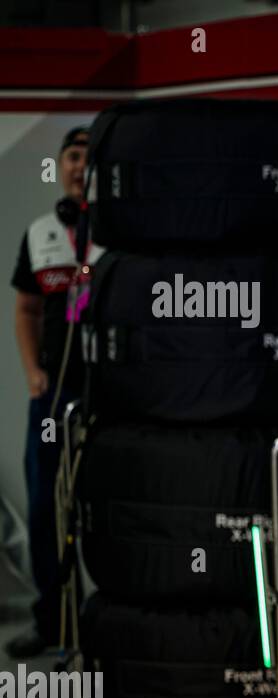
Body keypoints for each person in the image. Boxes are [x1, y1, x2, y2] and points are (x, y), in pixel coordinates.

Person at [8, 126, 103, 657]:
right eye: (71, 156)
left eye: (88, 157)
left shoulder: (121, 233)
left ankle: (106, 619)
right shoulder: (42, 232)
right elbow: (25, 309)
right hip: (52, 396)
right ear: (60, 165)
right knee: (46, 505)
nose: (78, 166)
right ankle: (52, 619)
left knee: (105, 505)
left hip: (107, 399)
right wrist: (32, 373)